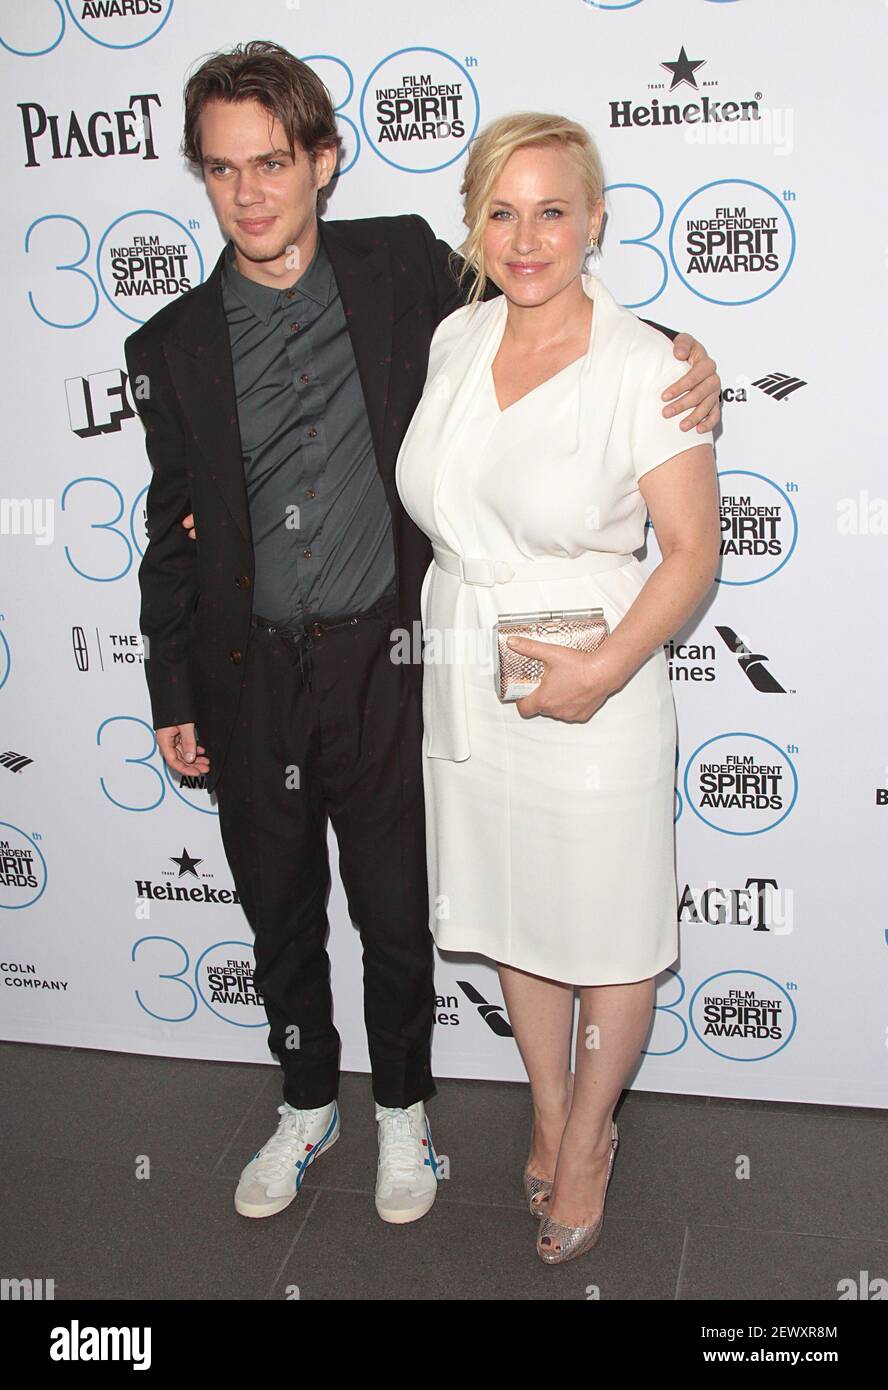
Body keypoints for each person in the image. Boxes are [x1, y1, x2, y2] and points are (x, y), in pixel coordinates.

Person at [127, 42, 721, 1228]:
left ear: (323, 162)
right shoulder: (171, 346)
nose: (250, 192)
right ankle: (308, 1103)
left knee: (402, 907)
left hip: (389, 661)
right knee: (278, 907)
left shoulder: (400, 266)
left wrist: (688, 357)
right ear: (203, 179)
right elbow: (171, 531)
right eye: (223, 170)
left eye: (274, 161)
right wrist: (171, 687)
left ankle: (406, 1108)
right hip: (255, 675)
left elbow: (561, 310)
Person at [394, 112, 720, 1263]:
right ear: (473, 223)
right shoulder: (453, 338)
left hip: (596, 672)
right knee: (518, 915)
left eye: (552, 209)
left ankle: (590, 1139)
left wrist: (603, 672)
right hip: (469, 669)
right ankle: (545, 1108)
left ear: (594, 222)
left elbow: (690, 552)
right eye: (501, 209)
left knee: (611, 930)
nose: (527, 236)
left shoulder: (648, 367)